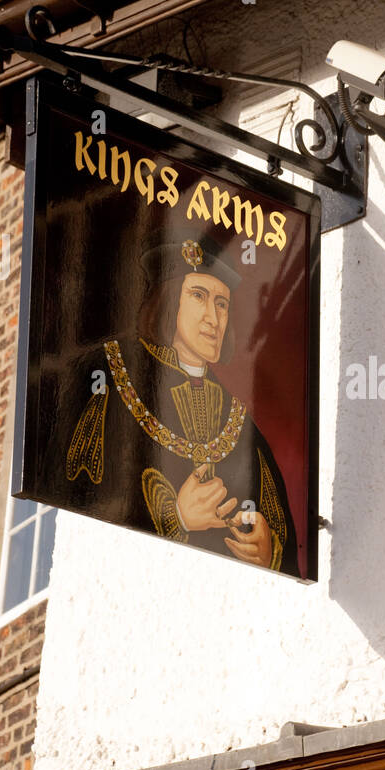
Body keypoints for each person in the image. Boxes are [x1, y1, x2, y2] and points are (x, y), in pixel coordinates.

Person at [62, 233, 300, 576]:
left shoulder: (239, 420)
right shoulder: (106, 375)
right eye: (199, 296)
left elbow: (284, 539)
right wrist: (178, 517)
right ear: (169, 299)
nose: (213, 319)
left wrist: (269, 552)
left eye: (222, 303)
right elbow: (80, 504)